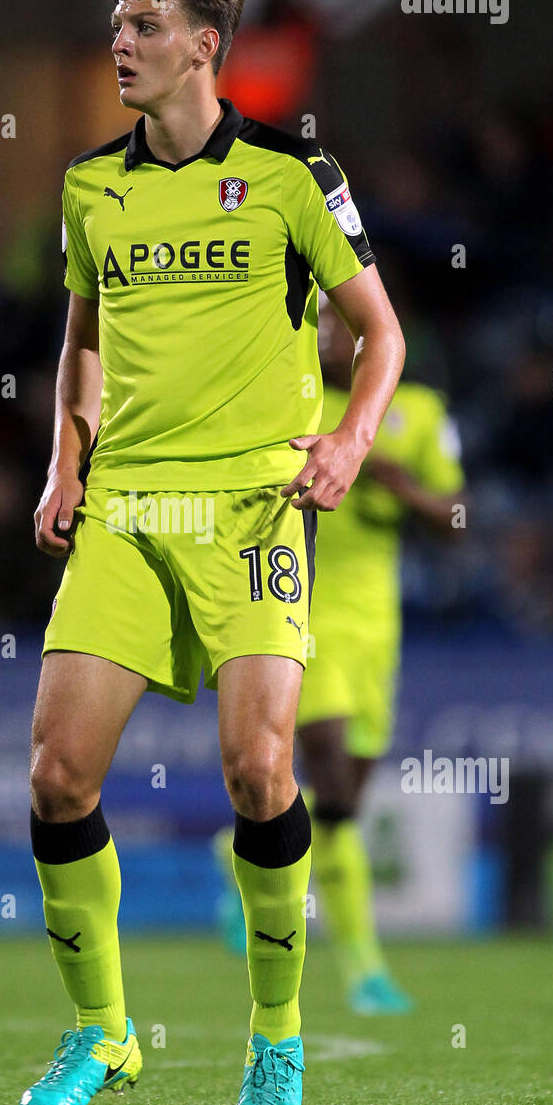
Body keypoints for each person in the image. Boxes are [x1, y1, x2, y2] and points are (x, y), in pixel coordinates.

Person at [23, 0, 405, 1105]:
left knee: (260, 771)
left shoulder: (296, 172)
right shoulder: (94, 185)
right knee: (56, 775)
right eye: (115, 21)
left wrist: (347, 442)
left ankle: (276, 1039)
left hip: (251, 508)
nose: (121, 41)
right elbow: (82, 337)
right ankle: (103, 1033)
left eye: (143, 22)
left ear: (204, 44)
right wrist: (64, 461)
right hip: (129, 510)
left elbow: (382, 335)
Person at [216, 296, 466, 1012]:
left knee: (345, 795)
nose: (326, 335)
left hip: (375, 624)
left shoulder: (413, 409)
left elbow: (457, 517)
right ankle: (364, 968)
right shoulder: (287, 398)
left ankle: (230, 851)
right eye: (317, 323)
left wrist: (400, 484)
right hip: (300, 602)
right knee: (326, 774)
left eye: (339, 324)